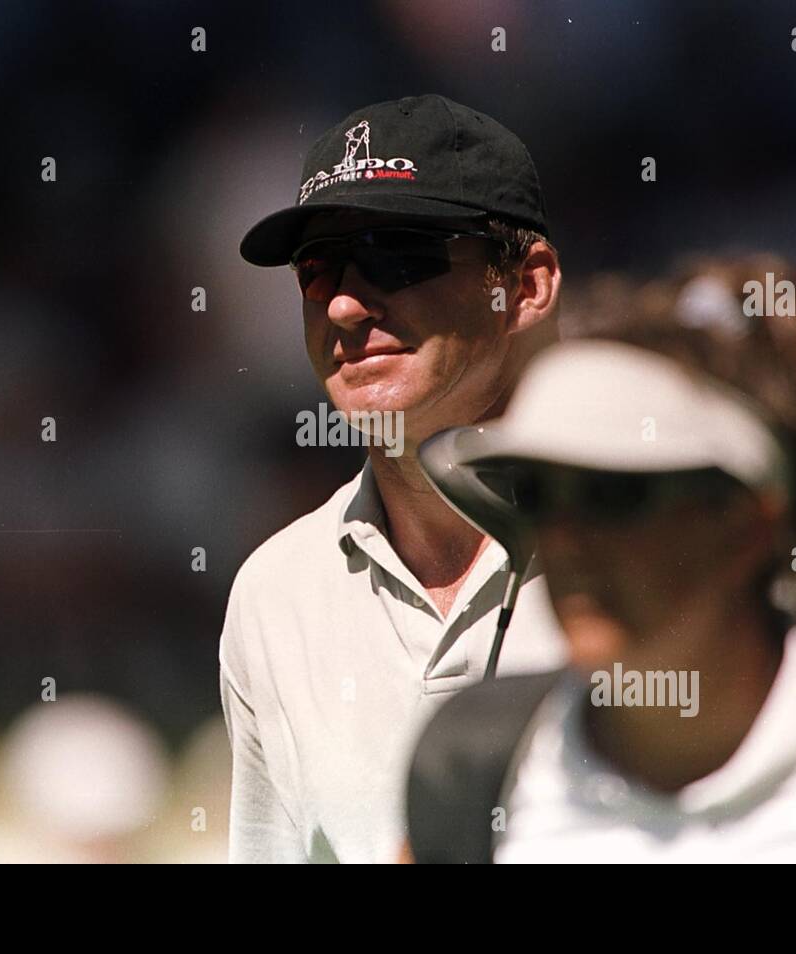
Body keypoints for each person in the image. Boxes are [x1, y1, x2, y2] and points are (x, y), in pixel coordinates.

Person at [406, 259, 796, 862]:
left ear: (747, 524)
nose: (563, 542)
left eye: (614, 495)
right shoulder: (468, 774)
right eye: (536, 495)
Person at [220, 93, 566, 862]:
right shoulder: (275, 594)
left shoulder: (649, 543)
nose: (343, 303)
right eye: (318, 270)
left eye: (396, 253)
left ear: (528, 285)